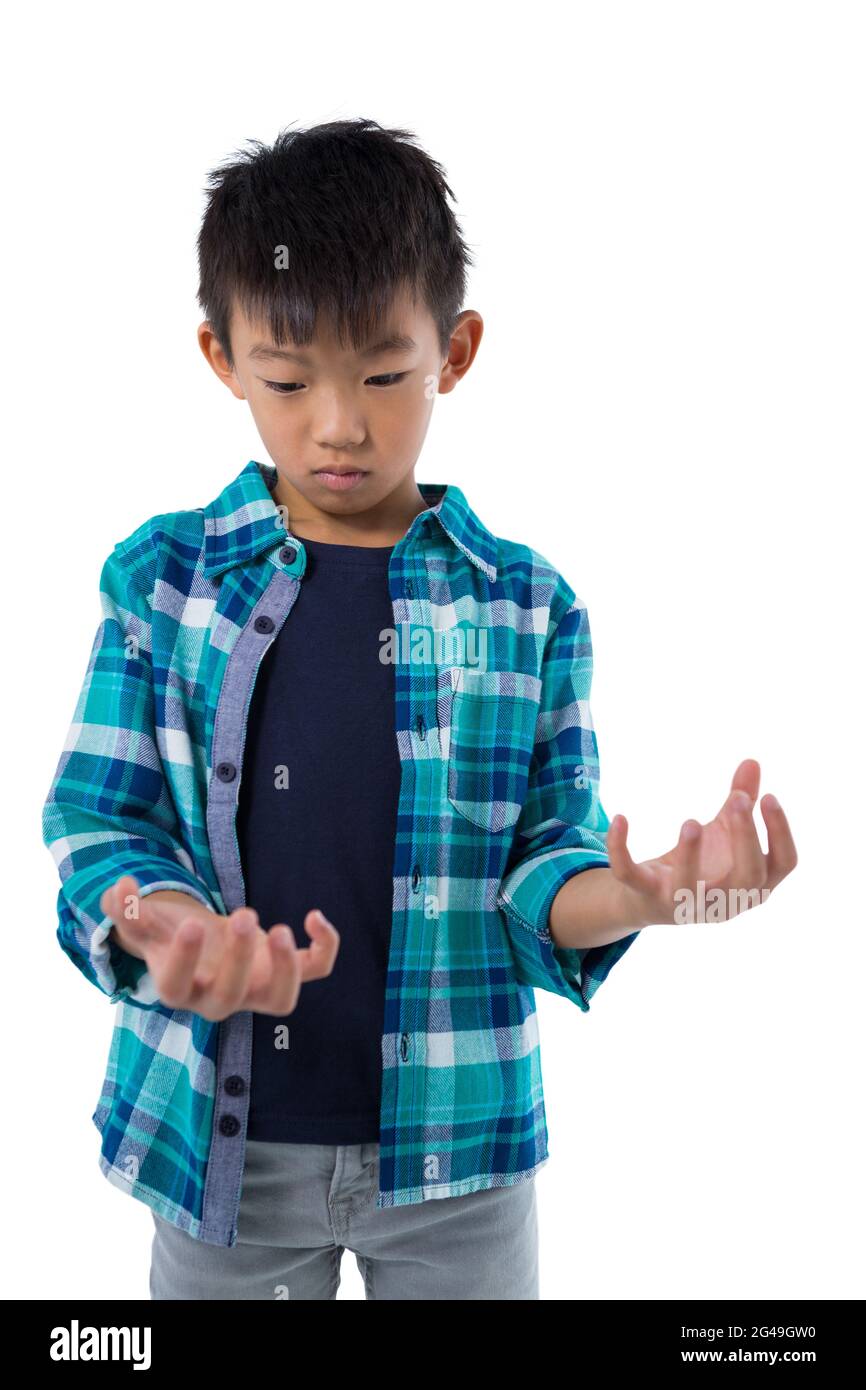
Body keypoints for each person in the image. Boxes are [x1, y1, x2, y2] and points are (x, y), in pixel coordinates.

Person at [41, 118, 798, 1301]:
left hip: (462, 1166)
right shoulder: (160, 580)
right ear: (220, 356)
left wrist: (648, 891)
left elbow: (547, 870)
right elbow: (99, 825)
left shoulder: (526, 604)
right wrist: (170, 929)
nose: (338, 424)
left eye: (384, 374)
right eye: (288, 381)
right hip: (219, 1152)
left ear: (455, 351)